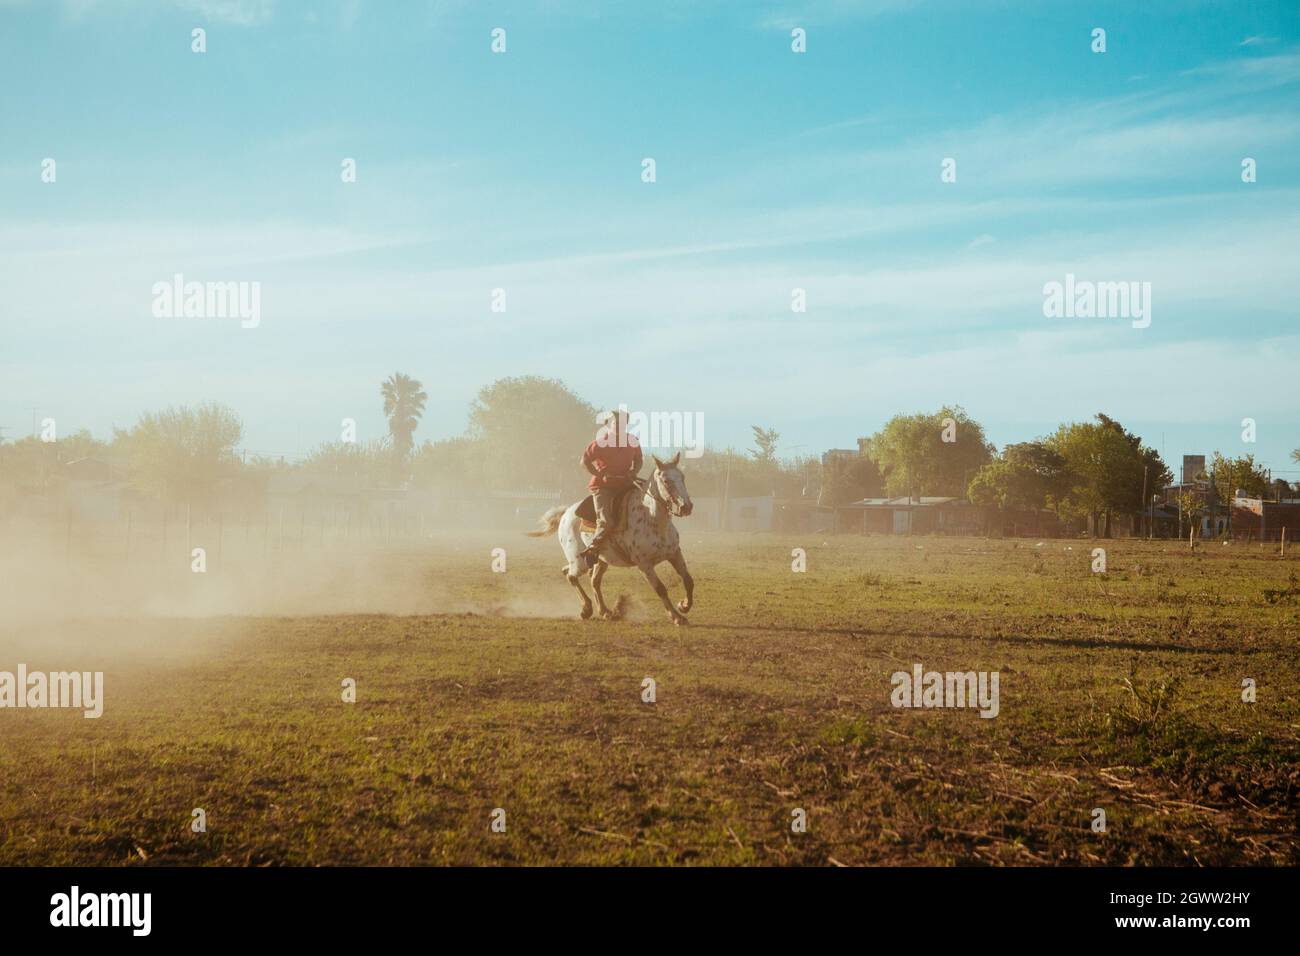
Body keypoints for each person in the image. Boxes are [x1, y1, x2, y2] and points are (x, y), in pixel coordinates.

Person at [579, 409, 642, 569]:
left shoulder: (633, 440)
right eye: (616, 423)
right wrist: (600, 474)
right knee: (606, 521)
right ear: (608, 425)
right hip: (603, 487)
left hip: (626, 484)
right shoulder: (599, 443)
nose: (619, 426)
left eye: (623, 423)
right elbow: (584, 462)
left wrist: (633, 472)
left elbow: (639, 460)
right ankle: (592, 549)